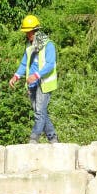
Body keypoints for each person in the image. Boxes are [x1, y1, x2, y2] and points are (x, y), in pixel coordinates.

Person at [8, 14, 59, 144]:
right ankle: (53, 138)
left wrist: (36, 75)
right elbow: (24, 63)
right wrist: (16, 76)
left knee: (39, 112)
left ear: (35, 31)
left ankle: (33, 138)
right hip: (32, 85)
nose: (26, 35)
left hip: (44, 83)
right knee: (40, 112)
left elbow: (50, 64)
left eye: (28, 32)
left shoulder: (48, 45)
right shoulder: (29, 45)